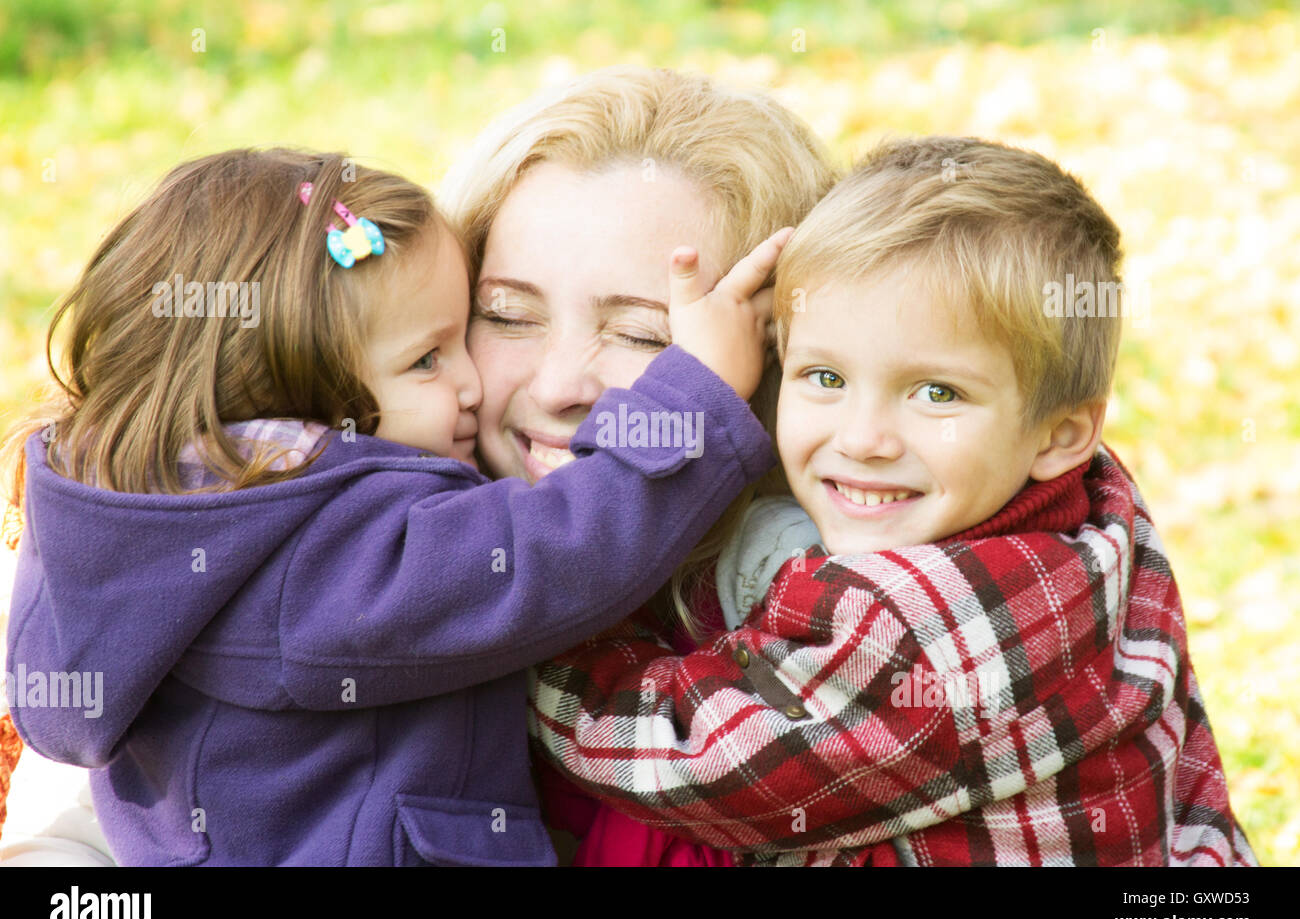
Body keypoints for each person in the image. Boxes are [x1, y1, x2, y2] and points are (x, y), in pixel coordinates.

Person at [2, 146, 789, 865]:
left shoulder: (159, 514)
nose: (472, 385)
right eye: (426, 360)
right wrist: (696, 397)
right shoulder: (318, 544)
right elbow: (551, 554)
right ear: (298, 384)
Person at [529, 136, 1258, 866]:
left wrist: (548, 633)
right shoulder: (1106, 510)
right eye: (824, 376)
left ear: (1059, 433)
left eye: (937, 393)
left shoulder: (914, 628)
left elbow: (686, 760)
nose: (864, 437)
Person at [439, 65, 838, 865]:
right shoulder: (367, 560)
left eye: (643, 336)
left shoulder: (829, 618)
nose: (557, 386)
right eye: (508, 314)